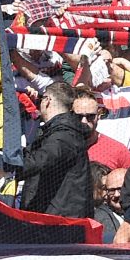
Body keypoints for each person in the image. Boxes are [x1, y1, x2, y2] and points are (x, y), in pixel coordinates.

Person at [12, 83, 98, 219]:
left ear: (47, 100)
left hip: (60, 224)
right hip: (53, 220)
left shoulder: (64, 135)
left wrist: (6, 167)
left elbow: (38, 161)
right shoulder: (58, 132)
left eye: (41, 99)